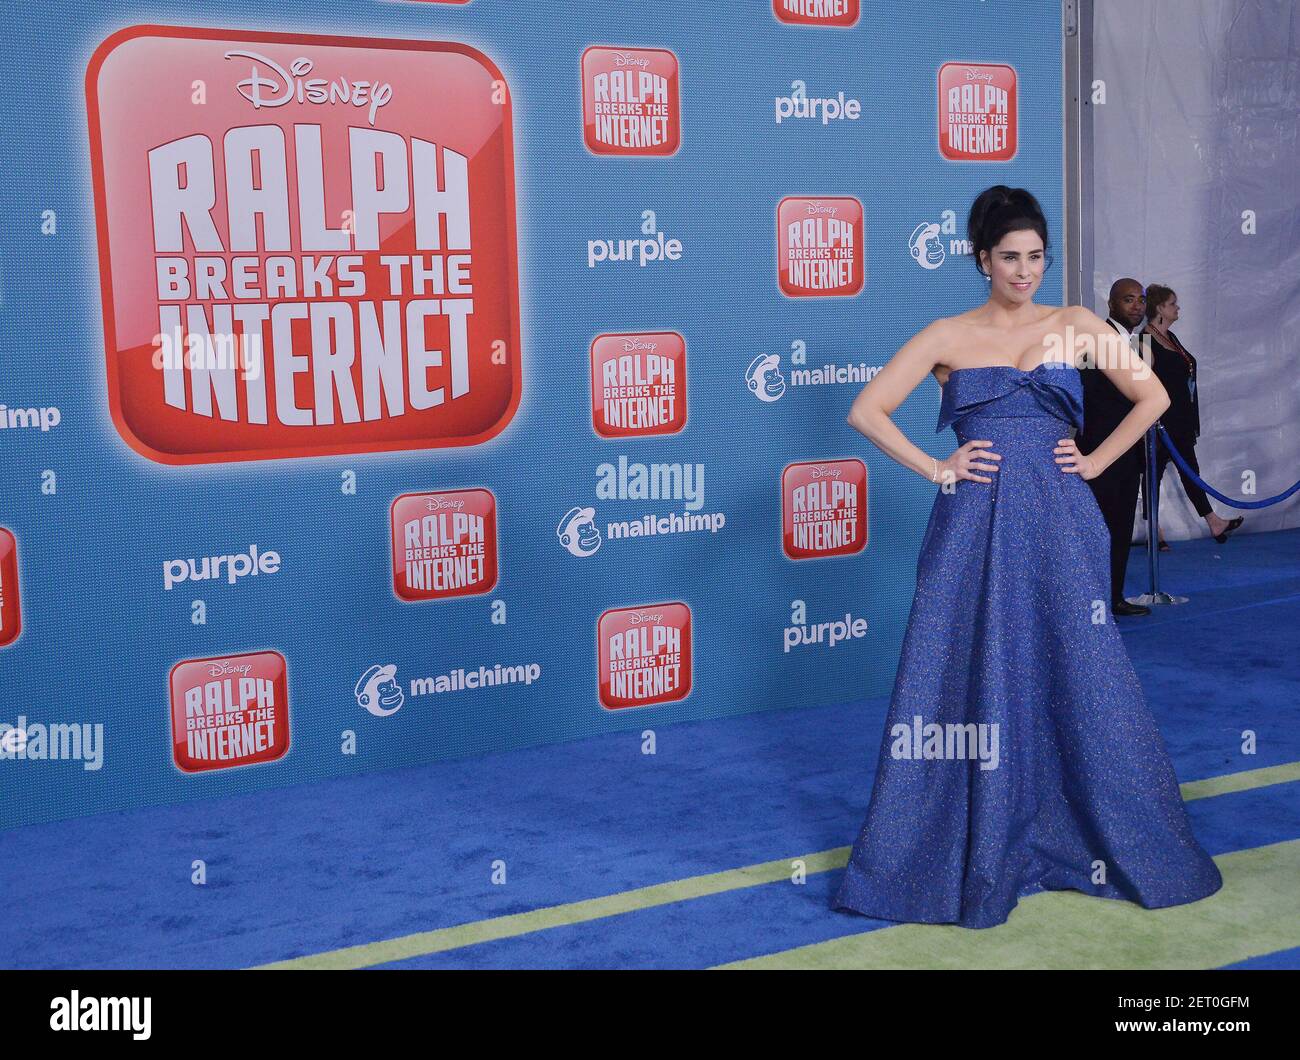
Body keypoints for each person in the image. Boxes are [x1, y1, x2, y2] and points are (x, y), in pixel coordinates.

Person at [830, 186, 1223, 929]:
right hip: (972, 519)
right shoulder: (947, 334)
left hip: (1061, 518)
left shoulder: (1074, 323)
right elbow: (867, 409)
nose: (1024, 271)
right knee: (959, 668)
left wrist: (1098, 461)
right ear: (982, 258)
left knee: (1082, 666)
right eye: (1009, 257)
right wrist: (938, 468)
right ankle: (963, 848)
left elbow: (1152, 400)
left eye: (1036, 257)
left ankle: (1073, 838)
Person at [1139, 284, 1243, 548]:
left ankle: (1210, 521)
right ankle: (1158, 529)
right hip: (1160, 423)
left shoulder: (1170, 338)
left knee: (1185, 472)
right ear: (1160, 308)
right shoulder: (1143, 340)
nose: (1177, 308)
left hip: (1180, 420)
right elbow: (1140, 385)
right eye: (1173, 303)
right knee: (1153, 474)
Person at [1078, 279, 1149, 615]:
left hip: (1129, 454)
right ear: (1111, 304)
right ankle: (1090, 603)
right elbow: (1084, 398)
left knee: (1121, 527)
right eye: (1128, 299)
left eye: (1141, 299)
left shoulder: (1142, 343)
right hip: (1097, 452)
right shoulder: (1095, 341)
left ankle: (1113, 597)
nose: (1136, 306)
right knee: (1095, 529)